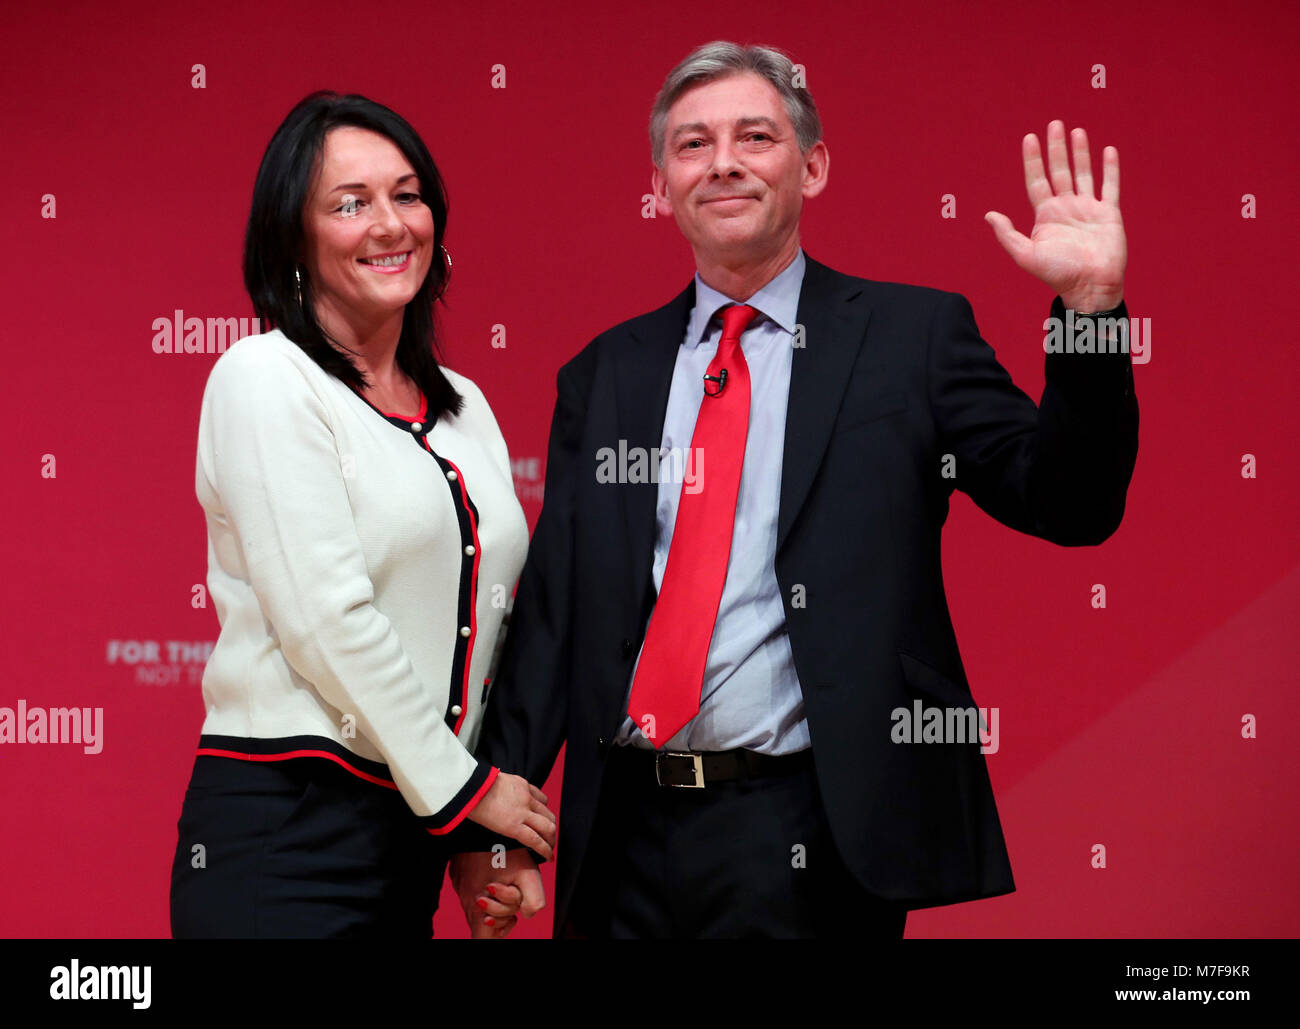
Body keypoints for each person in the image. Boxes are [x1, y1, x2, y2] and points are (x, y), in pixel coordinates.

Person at [448, 41, 1138, 939]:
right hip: (622, 835)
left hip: (810, 832)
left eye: (754, 137)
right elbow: (554, 612)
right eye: (693, 144)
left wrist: (1090, 313)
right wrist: (492, 820)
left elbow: (1072, 502)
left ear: (811, 166)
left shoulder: (910, 337)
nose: (723, 161)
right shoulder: (606, 373)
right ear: (661, 182)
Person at [169, 91, 555, 938]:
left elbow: (491, 633)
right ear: (294, 237)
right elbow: (326, 620)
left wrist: (462, 835)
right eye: (350, 203)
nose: (390, 224)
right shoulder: (263, 376)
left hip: (408, 834)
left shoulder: (466, 408)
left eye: (407, 194)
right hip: (288, 829)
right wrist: (467, 796)